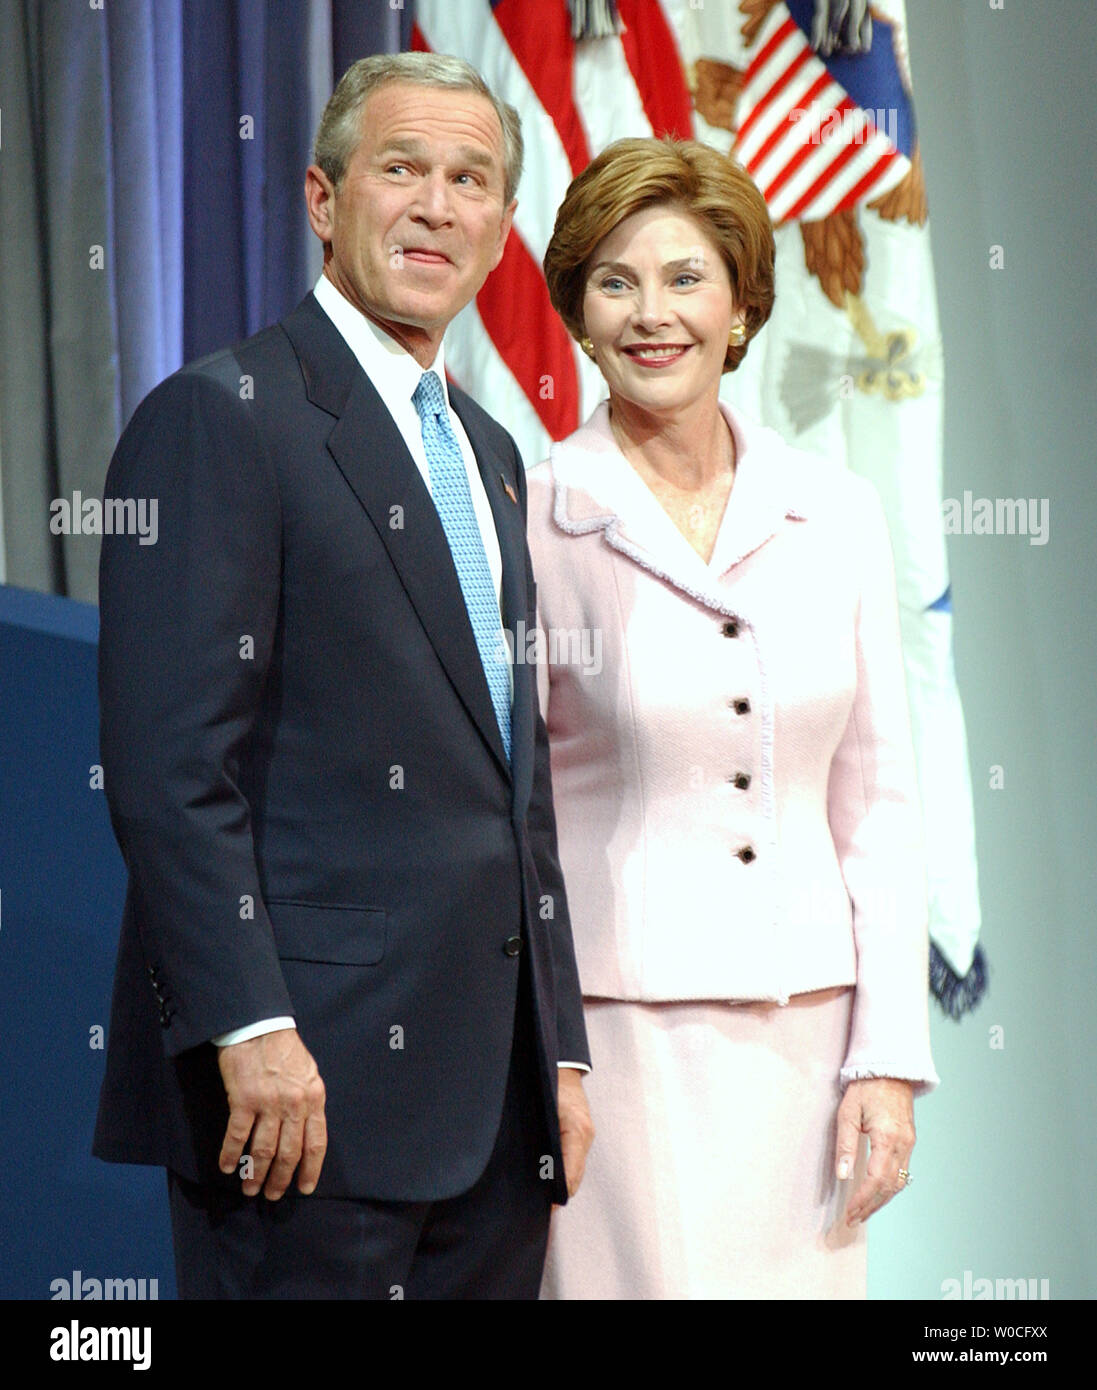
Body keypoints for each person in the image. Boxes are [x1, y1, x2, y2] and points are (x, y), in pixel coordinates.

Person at [92, 52, 593, 1301]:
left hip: (489, 1113)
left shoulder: (488, 453)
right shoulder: (222, 414)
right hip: (301, 1102)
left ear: (499, 229)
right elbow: (169, 771)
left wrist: (561, 1052)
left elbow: (511, 790)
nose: (436, 204)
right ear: (323, 199)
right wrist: (249, 1029)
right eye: (402, 168)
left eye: (470, 178)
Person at [529, 137, 938, 1300]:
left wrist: (887, 1060)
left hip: (808, 1046)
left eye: (684, 278)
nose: (650, 315)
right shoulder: (533, 517)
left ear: (743, 302)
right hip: (614, 1042)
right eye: (614, 282)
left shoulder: (837, 512)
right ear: (576, 311)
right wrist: (544, 1053)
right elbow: (511, 821)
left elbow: (879, 812)